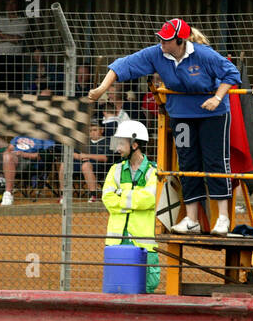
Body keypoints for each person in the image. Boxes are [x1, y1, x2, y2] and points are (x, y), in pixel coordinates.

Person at [87, 18, 241, 236]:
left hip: (212, 114)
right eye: (160, 38)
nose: (161, 42)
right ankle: (191, 219)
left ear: (180, 41)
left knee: (215, 160)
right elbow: (123, 64)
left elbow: (232, 74)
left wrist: (217, 98)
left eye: (166, 40)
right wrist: (102, 88)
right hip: (181, 114)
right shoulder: (156, 54)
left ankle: (222, 218)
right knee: (188, 162)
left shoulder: (204, 55)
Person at [102, 119, 161, 293]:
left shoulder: (154, 171)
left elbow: (150, 199)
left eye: (121, 143)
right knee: (116, 288)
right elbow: (108, 199)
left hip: (143, 243)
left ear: (135, 145)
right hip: (117, 242)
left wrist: (121, 195)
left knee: (147, 287)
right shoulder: (115, 170)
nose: (117, 148)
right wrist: (134, 201)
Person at [0, 133, 55, 207]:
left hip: (28, 163)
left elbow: (47, 155)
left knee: (8, 157)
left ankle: (8, 194)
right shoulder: (21, 135)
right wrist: (7, 152)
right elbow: (9, 148)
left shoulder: (45, 136)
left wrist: (24, 154)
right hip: (11, 159)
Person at [58, 120, 109, 203]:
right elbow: (70, 152)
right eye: (90, 131)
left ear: (102, 130)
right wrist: (78, 156)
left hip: (100, 167)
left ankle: (94, 196)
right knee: (64, 164)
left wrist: (87, 156)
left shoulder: (108, 141)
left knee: (86, 165)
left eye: (95, 130)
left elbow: (106, 158)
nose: (92, 133)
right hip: (81, 163)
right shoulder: (83, 141)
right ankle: (64, 195)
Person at [0, 0, 27, 93]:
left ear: (17, 5)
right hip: (0, 58)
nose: (10, 7)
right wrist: (10, 37)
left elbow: (17, 39)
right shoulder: (0, 19)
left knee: (14, 87)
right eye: (8, 4)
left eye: (13, 3)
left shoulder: (22, 21)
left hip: (14, 59)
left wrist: (1, 34)